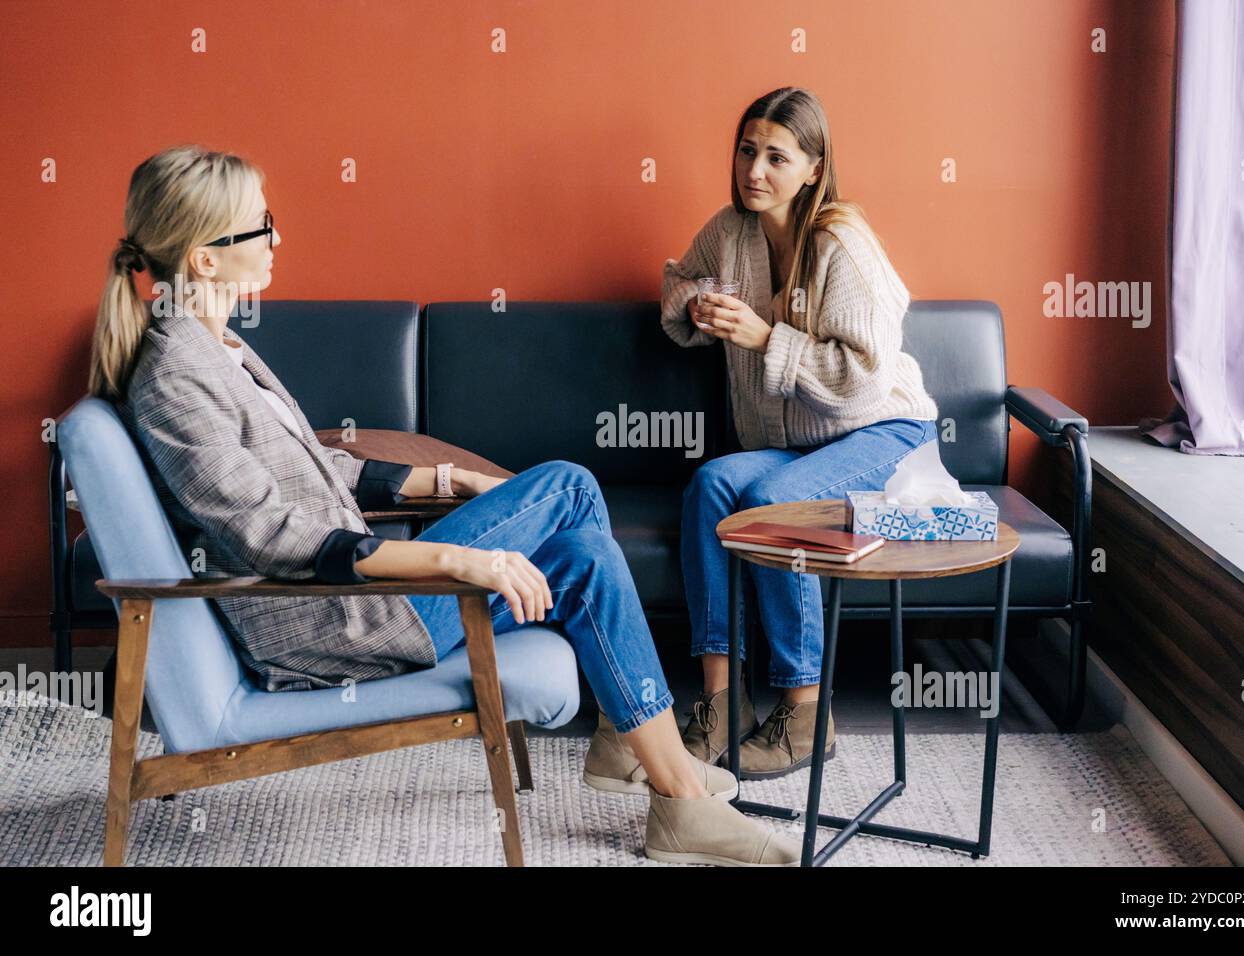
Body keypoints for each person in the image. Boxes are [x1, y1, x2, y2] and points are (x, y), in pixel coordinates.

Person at [88, 145, 799, 866]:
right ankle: (655, 770)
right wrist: (459, 558)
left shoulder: (220, 349)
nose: (278, 238)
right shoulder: (176, 375)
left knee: (581, 550)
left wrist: (445, 482)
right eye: (260, 225)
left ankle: (654, 770)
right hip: (337, 622)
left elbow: (316, 472)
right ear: (205, 261)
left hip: (357, 598)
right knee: (570, 485)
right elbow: (267, 532)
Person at [662, 88, 939, 779]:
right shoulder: (730, 232)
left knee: (776, 497)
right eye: (747, 150)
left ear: (813, 168)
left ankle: (807, 712)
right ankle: (723, 704)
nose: (755, 170)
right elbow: (674, 281)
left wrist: (766, 339)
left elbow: (866, 379)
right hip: (801, 444)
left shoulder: (842, 242)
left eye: (777, 157)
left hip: (885, 430)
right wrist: (697, 305)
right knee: (710, 485)